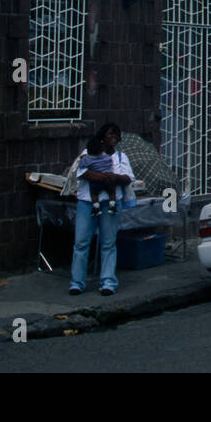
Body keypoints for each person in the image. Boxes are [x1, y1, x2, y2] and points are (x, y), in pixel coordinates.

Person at [70, 123, 134, 297]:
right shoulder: (88, 152)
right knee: (81, 242)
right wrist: (103, 177)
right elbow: (82, 172)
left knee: (108, 243)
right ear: (102, 137)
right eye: (110, 134)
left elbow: (128, 178)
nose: (114, 137)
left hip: (111, 203)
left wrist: (114, 177)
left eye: (116, 135)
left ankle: (108, 282)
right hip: (87, 202)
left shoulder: (120, 157)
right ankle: (77, 283)